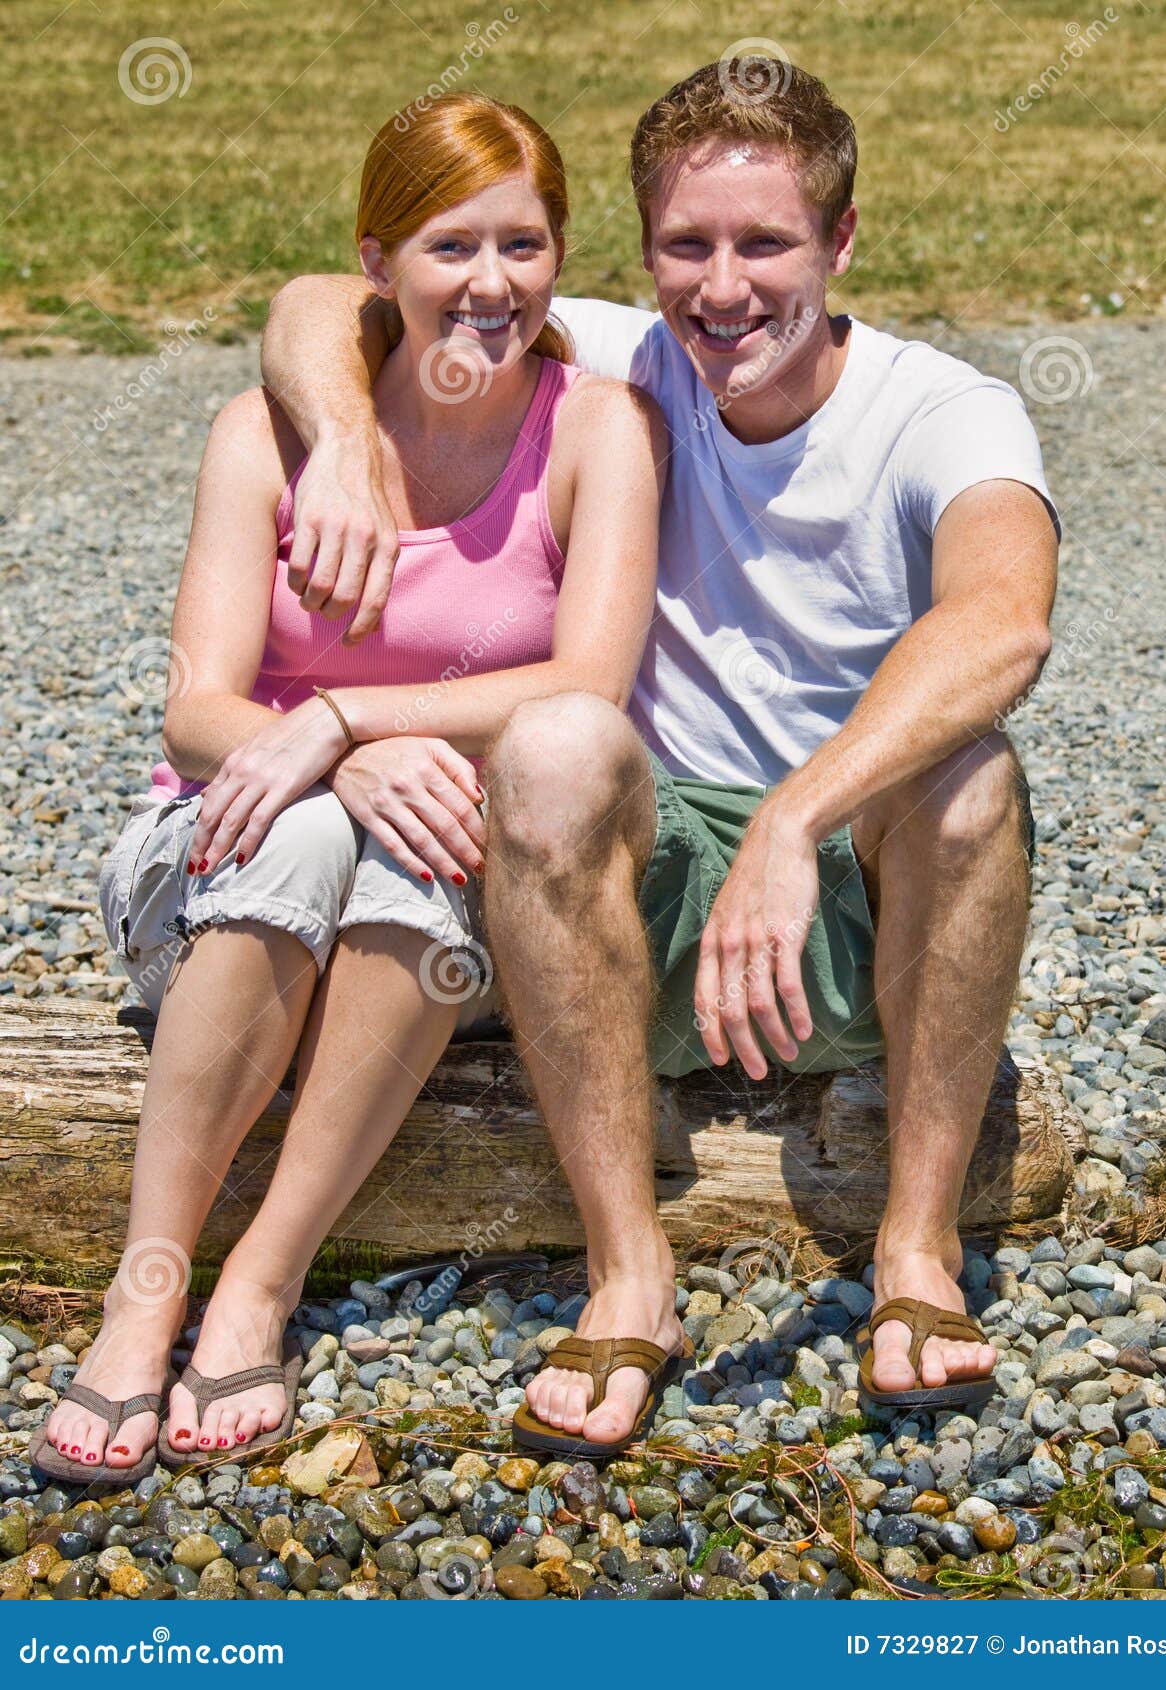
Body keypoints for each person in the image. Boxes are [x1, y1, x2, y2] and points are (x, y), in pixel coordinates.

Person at [258, 56, 1061, 1447]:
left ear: (843, 241)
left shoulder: (948, 411)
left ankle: (916, 1248)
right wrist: (336, 436)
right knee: (559, 742)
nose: (724, 288)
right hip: (644, 899)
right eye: (687, 246)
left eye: (766, 244)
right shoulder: (637, 355)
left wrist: (794, 819)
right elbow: (321, 299)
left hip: (856, 906)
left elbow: (1004, 624)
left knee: (974, 774)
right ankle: (628, 1270)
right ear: (644, 253)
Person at [30, 92, 664, 1484]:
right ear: (376, 262)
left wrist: (342, 716)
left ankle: (258, 1285)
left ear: (562, 256)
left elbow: (588, 681)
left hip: (440, 877)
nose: (492, 284)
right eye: (451, 247)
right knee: (312, 828)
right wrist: (334, 755)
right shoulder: (266, 438)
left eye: (525, 245)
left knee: (417, 832)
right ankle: (143, 1297)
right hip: (224, 847)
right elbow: (196, 710)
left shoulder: (597, 431)